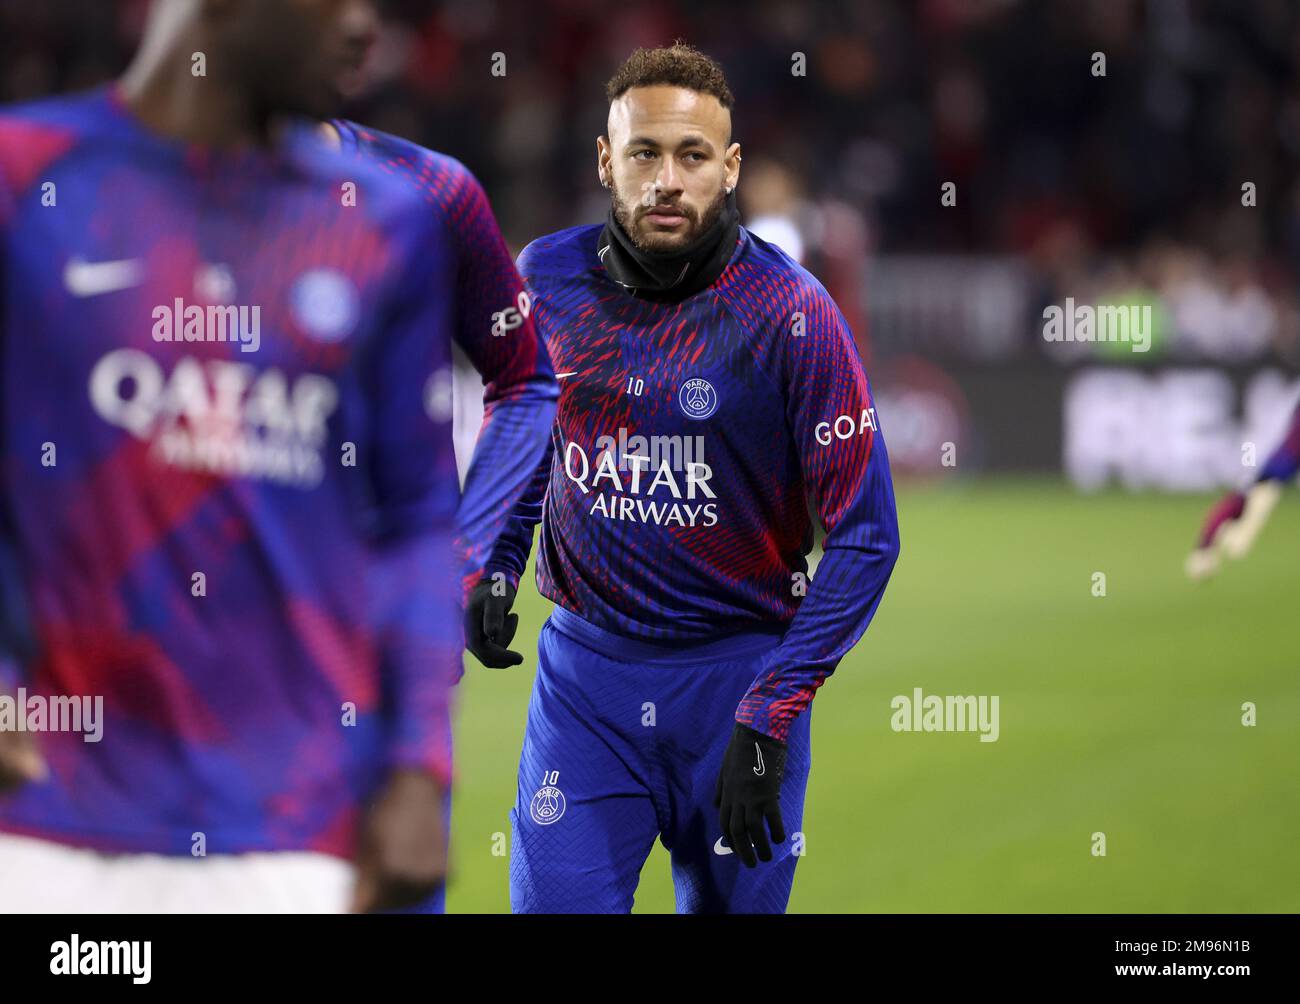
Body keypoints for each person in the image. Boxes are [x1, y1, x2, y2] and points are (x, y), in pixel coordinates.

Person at [0, 0, 555, 913]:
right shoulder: (32, 180)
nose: (366, 28)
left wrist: (419, 753)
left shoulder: (401, 213)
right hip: (52, 807)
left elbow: (418, 505)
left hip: (301, 806)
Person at [465, 43, 900, 913]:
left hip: (738, 688)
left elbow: (866, 536)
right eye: (645, 153)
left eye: (693, 156)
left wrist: (774, 710)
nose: (668, 179)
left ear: (730, 167)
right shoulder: (544, 280)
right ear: (606, 161)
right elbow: (526, 437)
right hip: (585, 688)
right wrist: (499, 561)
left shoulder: (795, 317)